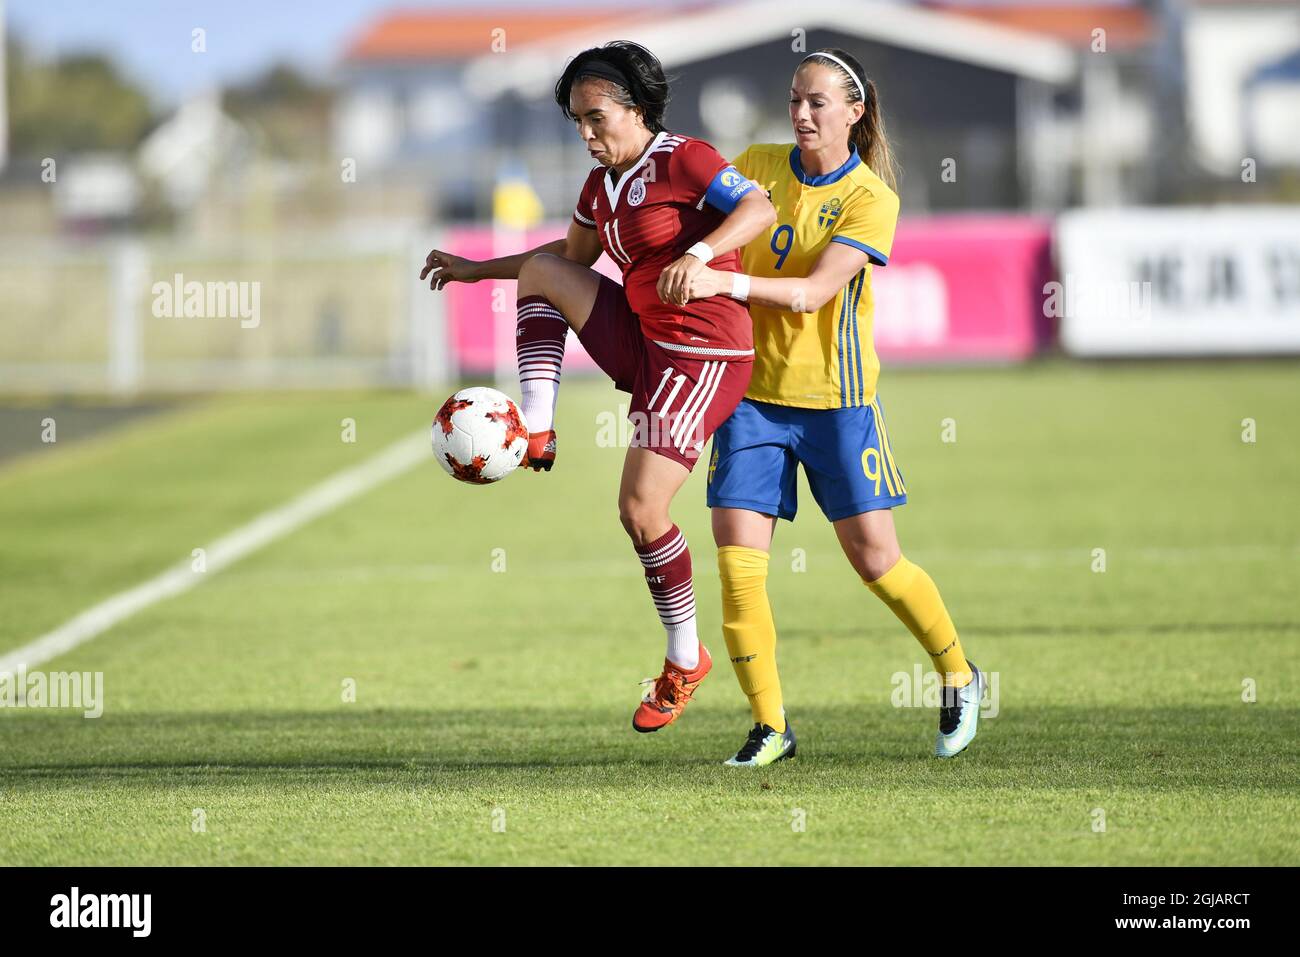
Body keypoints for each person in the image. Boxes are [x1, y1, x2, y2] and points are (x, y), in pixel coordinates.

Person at [420, 41, 776, 733]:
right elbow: (566, 261)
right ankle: (539, 424)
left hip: (704, 354)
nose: (586, 133)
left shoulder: (685, 157)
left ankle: (684, 660)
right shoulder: (598, 187)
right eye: (576, 122)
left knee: (641, 510)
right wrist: (475, 269)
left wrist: (701, 254)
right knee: (543, 277)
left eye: (596, 117)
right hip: (648, 346)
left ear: (636, 108)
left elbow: (759, 208)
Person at [685, 48, 984, 767]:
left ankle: (958, 673)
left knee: (876, 559)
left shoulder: (871, 199)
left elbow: (813, 293)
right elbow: (687, 223)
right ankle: (770, 726)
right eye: (794, 100)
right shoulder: (755, 165)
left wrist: (719, 287)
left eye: (818, 102)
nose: (802, 114)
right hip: (751, 398)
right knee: (736, 560)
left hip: (836, 403)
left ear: (854, 110)